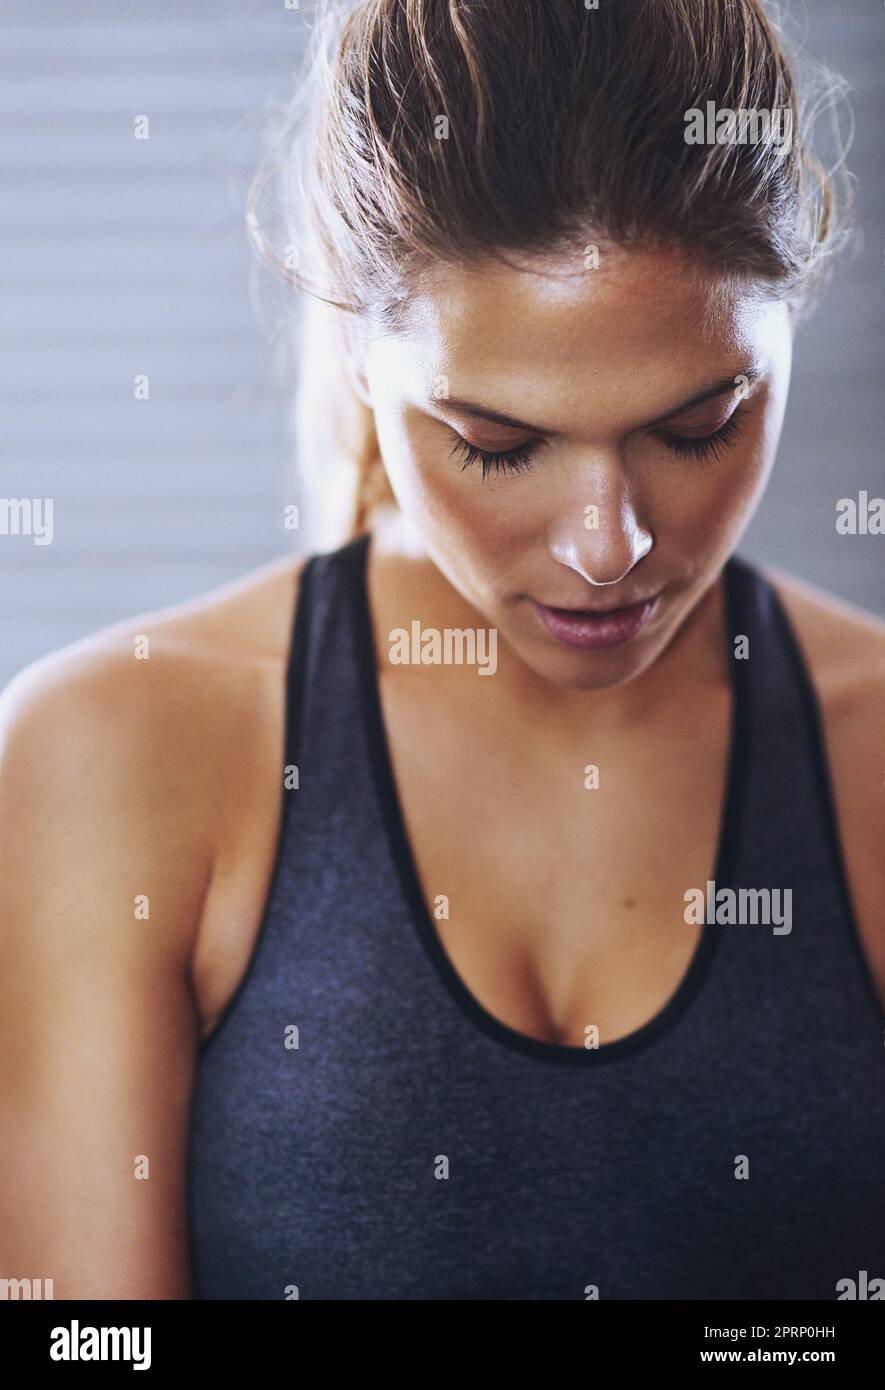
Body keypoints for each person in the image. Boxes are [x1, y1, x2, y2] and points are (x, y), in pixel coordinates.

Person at [2, 0, 884, 1301]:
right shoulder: (110, 754)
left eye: (696, 425)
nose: (605, 545)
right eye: (496, 440)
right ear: (360, 352)